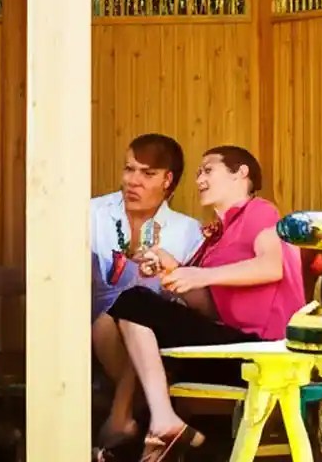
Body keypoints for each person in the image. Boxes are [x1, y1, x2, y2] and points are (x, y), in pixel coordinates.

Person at [105, 146, 307, 462]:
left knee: (134, 304)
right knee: (136, 309)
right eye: (198, 172)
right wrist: (172, 270)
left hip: (265, 352)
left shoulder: (260, 211)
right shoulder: (217, 239)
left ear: (241, 174)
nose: (199, 178)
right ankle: (149, 432)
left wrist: (200, 275)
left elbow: (272, 266)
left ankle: (150, 429)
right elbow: (210, 310)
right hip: (230, 346)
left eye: (208, 170)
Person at [90, 134, 204, 454]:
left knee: (137, 317)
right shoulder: (92, 213)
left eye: (147, 173)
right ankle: (149, 414)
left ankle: (123, 418)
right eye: (129, 169)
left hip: (158, 339)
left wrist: (169, 270)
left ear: (168, 180)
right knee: (103, 322)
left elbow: (190, 301)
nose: (133, 181)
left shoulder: (188, 231)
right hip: (93, 334)